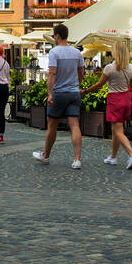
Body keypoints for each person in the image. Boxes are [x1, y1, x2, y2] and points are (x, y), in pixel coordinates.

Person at [33, 22, 84, 169]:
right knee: (74, 125)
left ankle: (46, 155)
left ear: (57, 36)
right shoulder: (76, 52)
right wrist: (77, 85)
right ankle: (77, 159)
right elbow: (81, 72)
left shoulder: (54, 52)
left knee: (52, 125)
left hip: (59, 93)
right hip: (74, 93)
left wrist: (50, 93)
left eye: (54, 36)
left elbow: (52, 73)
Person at [85, 39, 132, 169]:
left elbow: (99, 84)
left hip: (115, 99)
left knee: (118, 131)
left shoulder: (109, 68)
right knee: (117, 130)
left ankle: (131, 154)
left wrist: (85, 91)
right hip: (126, 99)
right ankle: (113, 157)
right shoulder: (131, 67)